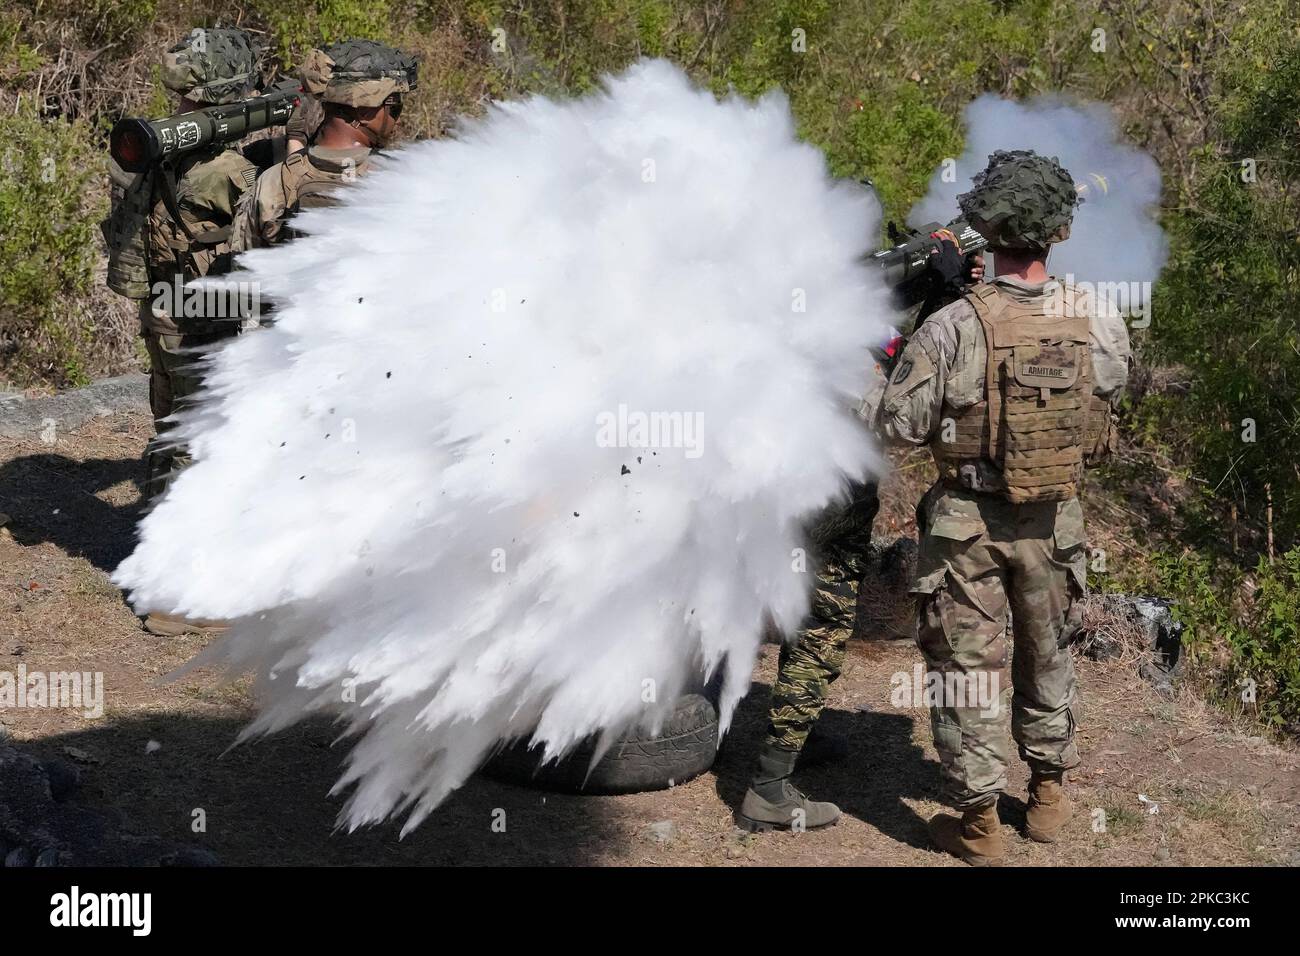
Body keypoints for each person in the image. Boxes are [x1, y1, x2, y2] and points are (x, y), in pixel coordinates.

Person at [876, 149, 1132, 865]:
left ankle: (979, 821)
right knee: (1049, 653)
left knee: (970, 668)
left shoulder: (954, 326)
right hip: (1057, 519)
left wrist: (877, 363)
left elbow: (897, 427)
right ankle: (1047, 797)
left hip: (967, 525)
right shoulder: (1098, 317)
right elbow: (1108, 391)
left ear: (986, 227)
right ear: (1060, 232)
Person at [735, 215, 985, 833]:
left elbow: (878, 321)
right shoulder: (824, 313)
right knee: (822, 622)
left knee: (784, 605)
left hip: (771, 483)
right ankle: (770, 784)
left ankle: (794, 731)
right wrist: (947, 296)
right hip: (823, 495)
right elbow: (902, 388)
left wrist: (934, 281)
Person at [102, 27, 265, 635]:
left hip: (164, 312)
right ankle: (175, 595)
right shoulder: (225, 168)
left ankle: (156, 553)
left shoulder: (156, 148)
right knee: (200, 446)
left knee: (172, 432)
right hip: (204, 320)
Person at [234, 39, 417, 249]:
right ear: (366, 111)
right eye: (394, 108)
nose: (398, 119)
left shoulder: (271, 182)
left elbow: (241, 269)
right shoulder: (398, 182)